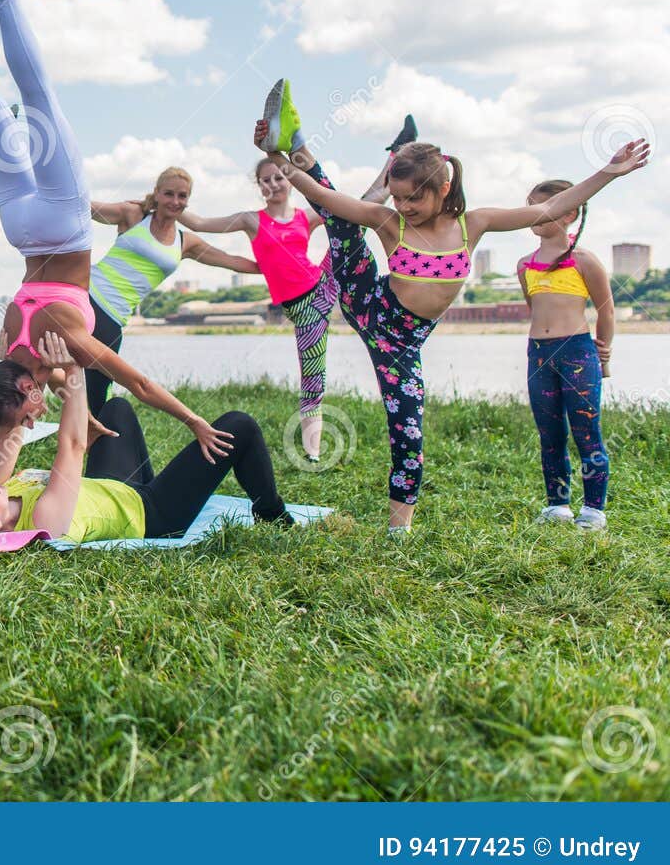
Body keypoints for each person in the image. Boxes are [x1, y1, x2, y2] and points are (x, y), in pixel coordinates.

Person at [255, 78, 649, 532]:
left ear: (443, 187)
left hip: (401, 346)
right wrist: (278, 160)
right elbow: (325, 198)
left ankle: (398, 531)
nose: (402, 206)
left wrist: (609, 172)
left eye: (413, 197)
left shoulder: (472, 225)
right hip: (369, 301)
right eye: (397, 196)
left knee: (408, 431)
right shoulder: (390, 222)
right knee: (343, 222)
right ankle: (295, 140)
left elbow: (554, 205)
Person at [0, 0, 233, 483]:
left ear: (23, 386)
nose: (31, 417)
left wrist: (193, 420)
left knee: (36, 96)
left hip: (65, 227)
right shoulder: (5, 350)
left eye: (28, 408)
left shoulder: (60, 343)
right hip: (20, 227)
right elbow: (23, 404)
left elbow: (137, 383)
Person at [173, 122, 415, 460]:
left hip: (322, 283)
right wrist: (169, 204)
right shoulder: (251, 220)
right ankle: (312, 452)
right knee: (313, 379)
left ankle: (396, 155)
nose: (274, 184)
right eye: (266, 180)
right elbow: (200, 224)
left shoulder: (305, 216)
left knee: (352, 216)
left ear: (289, 180)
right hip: (304, 309)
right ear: (260, 187)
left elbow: (346, 210)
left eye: (279, 177)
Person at [0, 333, 293, 541]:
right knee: (238, 425)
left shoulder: (3, 496)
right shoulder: (43, 521)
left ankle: (164, 482)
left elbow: (9, 437)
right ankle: (272, 512)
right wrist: (75, 367)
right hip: (154, 515)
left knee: (116, 410)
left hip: (114, 487)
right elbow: (73, 444)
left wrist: (8, 367)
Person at [85, 166, 262, 413]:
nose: (175, 201)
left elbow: (230, 260)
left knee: (97, 398)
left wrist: (276, 267)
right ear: (156, 193)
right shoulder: (133, 214)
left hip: (113, 319)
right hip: (85, 298)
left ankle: (83, 445)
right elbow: (86, 208)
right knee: (43, 363)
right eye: (169, 194)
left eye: (182, 196)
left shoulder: (185, 242)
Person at [516, 179, 614, 530]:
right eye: (529, 206)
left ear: (569, 213)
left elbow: (606, 310)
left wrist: (604, 356)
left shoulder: (584, 260)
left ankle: (593, 510)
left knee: (587, 431)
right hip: (538, 355)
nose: (533, 215)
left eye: (541, 209)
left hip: (577, 352)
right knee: (550, 433)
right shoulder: (524, 264)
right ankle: (558, 505)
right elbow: (533, 307)